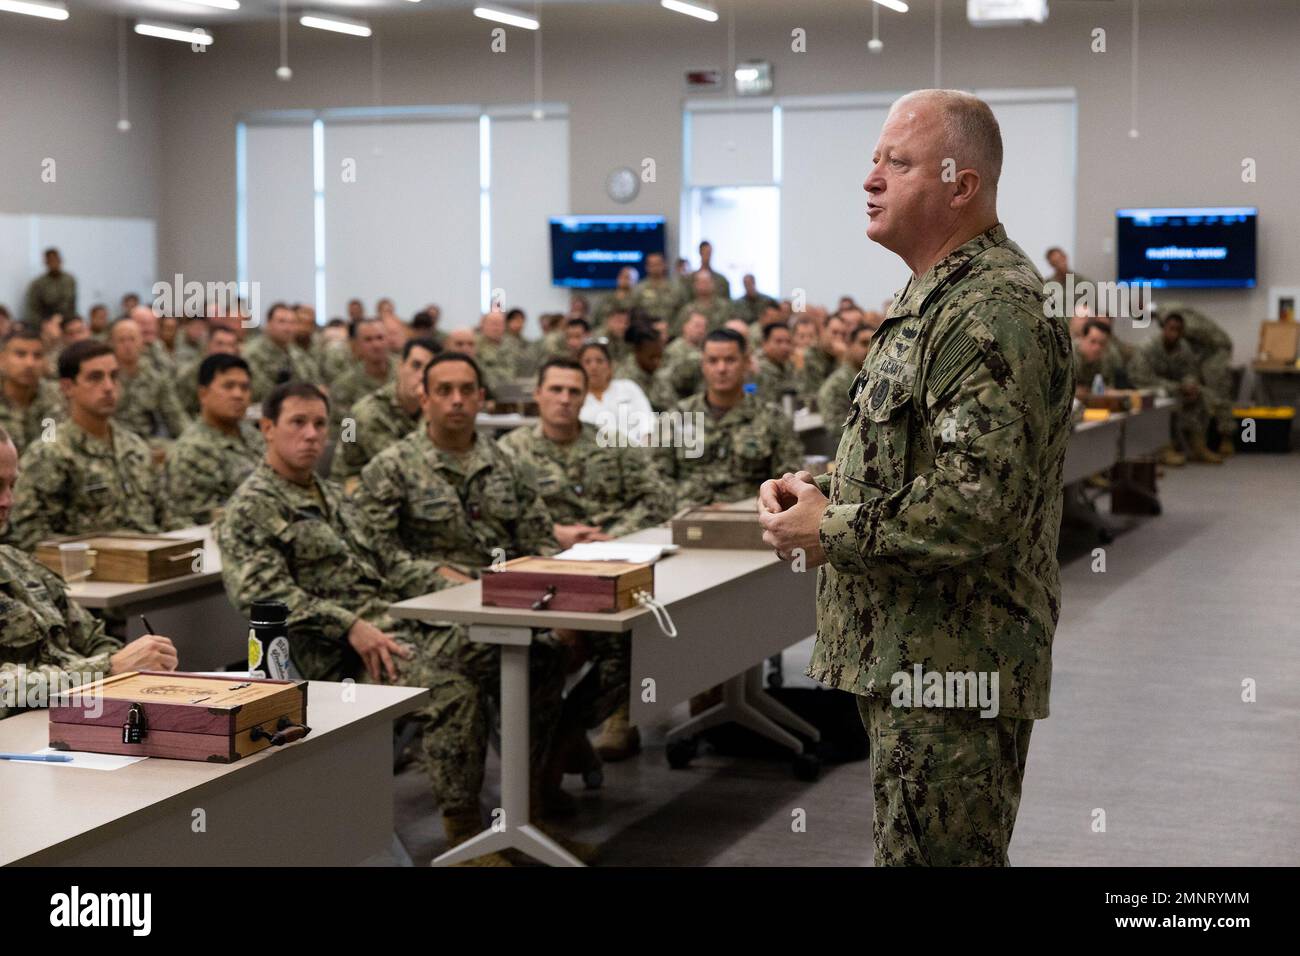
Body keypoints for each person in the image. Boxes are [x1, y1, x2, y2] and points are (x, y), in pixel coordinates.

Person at [758, 89, 1074, 867]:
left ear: (961, 185)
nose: (871, 179)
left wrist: (827, 531)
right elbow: (915, 455)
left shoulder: (989, 309)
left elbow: (976, 504)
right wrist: (823, 489)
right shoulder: (933, 298)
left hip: (954, 663)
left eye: (896, 164)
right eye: (874, 161)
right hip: (912, 652)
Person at [216, 382, 523, 865]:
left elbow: (387, 563)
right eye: (298, 423)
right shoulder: (250, 508)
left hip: (388, 626)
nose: (312, 435)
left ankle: (535, 804)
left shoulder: (335, 496)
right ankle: (464, 837)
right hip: (328, 656)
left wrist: (465, 586)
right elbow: (263, 598)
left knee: (510, 650)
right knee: (452, 689)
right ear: (267, 428)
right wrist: (348, 624)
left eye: (320, 424)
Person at [350, 355, 577, 821]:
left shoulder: (507, 464)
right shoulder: (390, 468)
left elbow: (537, 539)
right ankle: (464, 825)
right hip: (424, 616)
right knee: (467, 673)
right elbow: (378, 557)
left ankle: (528, 806)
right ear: (424, 397)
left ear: (480, 397)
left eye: (467, 389)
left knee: (548, 657)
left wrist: (532, 584)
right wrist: (449, 580)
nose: (456, 400)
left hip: (504, 607)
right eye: (445, 390)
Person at [496, 357, 674, 762]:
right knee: (556, 650)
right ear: (537, 394)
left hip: (611, 563)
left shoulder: (609, 442)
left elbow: (658, 497)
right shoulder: (509, 452)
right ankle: (551, 750)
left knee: (633, 637)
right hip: (544, 573)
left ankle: (580, 731)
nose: (564, 399)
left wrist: (617, 531)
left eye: (574, 391)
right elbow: (501, 522)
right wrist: (555, 532)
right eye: (555, 390)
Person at [0, 425, 179, 719]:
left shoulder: (18, 564)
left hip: (79, 719)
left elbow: (92, 637)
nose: (8, 501)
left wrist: (137, 664)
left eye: (11, 486)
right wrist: (108, 668)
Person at [7, 340, 161, 551]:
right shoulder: (50, 453)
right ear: (67, 387)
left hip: (154, 564)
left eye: (114, 376)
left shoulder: (135, 448)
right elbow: (27, 535)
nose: (108, 387)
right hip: (89, 573)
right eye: (95, 378)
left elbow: (165, 515)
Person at [661, 328, 802, 511]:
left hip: (751, 518)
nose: (721, 369)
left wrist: (746, 507)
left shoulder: (772, 418)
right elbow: (659, 479)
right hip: (687, 517)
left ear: (745, 362)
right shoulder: (677, 418)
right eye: (712, 361)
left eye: (730, 360)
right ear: (702, 364)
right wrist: (685, 508)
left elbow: (787, 481)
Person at [162, 355, 264, 528]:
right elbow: (187, 520)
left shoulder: (254, 437)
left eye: (245, 387)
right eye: (228, 386)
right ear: (203, 394)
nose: (238, 395)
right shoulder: (192, 450)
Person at [331, 337, 439, 485]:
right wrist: (429, 414)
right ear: (400, 366)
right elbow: (402, 465)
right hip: (353, 485)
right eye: (416, 366)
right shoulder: (368, 411)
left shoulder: (431, 407)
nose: (421, 376)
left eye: (429, 370)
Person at [1128, 311, 1223, 465]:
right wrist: (1177, 387)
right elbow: (1142, 378)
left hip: (1174, 389)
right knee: (1161, 398)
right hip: (1145, 388)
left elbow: (1190, 371)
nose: (1174, 333)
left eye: (1178, 330)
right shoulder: (1148, 347)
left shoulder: (1183, 347)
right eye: (1171, 328)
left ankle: (1198, 445)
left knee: (1202, 395)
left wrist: (1189, 384)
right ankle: (1164, 448)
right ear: (1164, 328)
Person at [109, 317, 191, 442]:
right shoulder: (105, 377)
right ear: (112, 344)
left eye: (132, 339)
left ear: (141, 342)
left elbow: (175, 416)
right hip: (110, 441)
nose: (127, 345)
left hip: (145, 442)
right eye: (121, 340)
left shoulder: (156, 377)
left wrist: (192, 441)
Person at [0, 328, 65, 454]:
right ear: (2, 360)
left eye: (37, 356)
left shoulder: (58, 397)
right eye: (20, 354)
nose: (30, 363)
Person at [578, 340, 654, 445]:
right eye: (587, 362)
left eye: (599, 361)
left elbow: (648, 421)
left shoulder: (628, 387)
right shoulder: (576, 398)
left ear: (610, 366)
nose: (593, 367)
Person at [243, 302, 321, 401]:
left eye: (292, 323)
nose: (287, 328)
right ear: (269, 324)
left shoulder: (298, 354)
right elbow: (258, 391)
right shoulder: (253, 353)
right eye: (281, 322)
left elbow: (315, 384)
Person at [329, 318, 393, 428]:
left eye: (380, 338)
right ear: (358, 345)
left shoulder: (405, 375)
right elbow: (346, 432)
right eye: (368, 340)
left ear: (388, 340)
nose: (376, 345)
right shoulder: (345, 386)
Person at [817, 319, 878, 427]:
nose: (869, 350)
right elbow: (838, 428)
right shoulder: (836, 385)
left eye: (874, 345)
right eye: (864, 343)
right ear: (850, 345)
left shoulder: (879, 379)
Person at [176, 325, 241, 417]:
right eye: (220, 344)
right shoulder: (191, 374)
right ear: (208, 345)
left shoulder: (240, 374)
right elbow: (179, 411)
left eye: (230, 345)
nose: (225, 350)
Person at [614, 322, 676, 412]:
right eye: (652, 358)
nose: (657, 362)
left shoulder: (659, 373)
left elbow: (671, 406)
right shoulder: (624, 379)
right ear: (637, 352)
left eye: (659, 357)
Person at [1072, 319, 1125, 398]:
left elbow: (1108, 389)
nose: (1097, 348)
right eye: (1093, 341)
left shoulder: (1105, 360)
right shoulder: (1068, 356)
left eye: (1102, 344)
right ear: (1082, 338)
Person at [672, 271, 733, 337]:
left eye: (707, 282)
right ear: (695, 285)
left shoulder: (725, 307)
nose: (704, 285)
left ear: (713, 284)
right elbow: (678, 332)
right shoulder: (688, 310)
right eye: (701, 282)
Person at [753, 322, 800, 408]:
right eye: (778, 342)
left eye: (788, 342)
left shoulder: (789, 365)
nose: (785, 347)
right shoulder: (756, 368)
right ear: (764, 343)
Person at [24, 248, 76, 323]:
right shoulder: (38, 284)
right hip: (46, 320)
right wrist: (43, 323)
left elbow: (70, 304)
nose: (54, 264)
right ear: (46, 263)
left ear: (60, 261)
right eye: (50, 261)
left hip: (67, 320)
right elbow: (33, 309)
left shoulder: (69, 280)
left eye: (55, 260)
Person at [633, 252, 685, 320]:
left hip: (671, 328)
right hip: (645, 328)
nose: (655, 268)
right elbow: (634, 312)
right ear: (647, 267)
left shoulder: (676, 287)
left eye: (658, 264)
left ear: (664, 265)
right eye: (652, 265)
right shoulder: (639, 288)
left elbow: (682, 311)